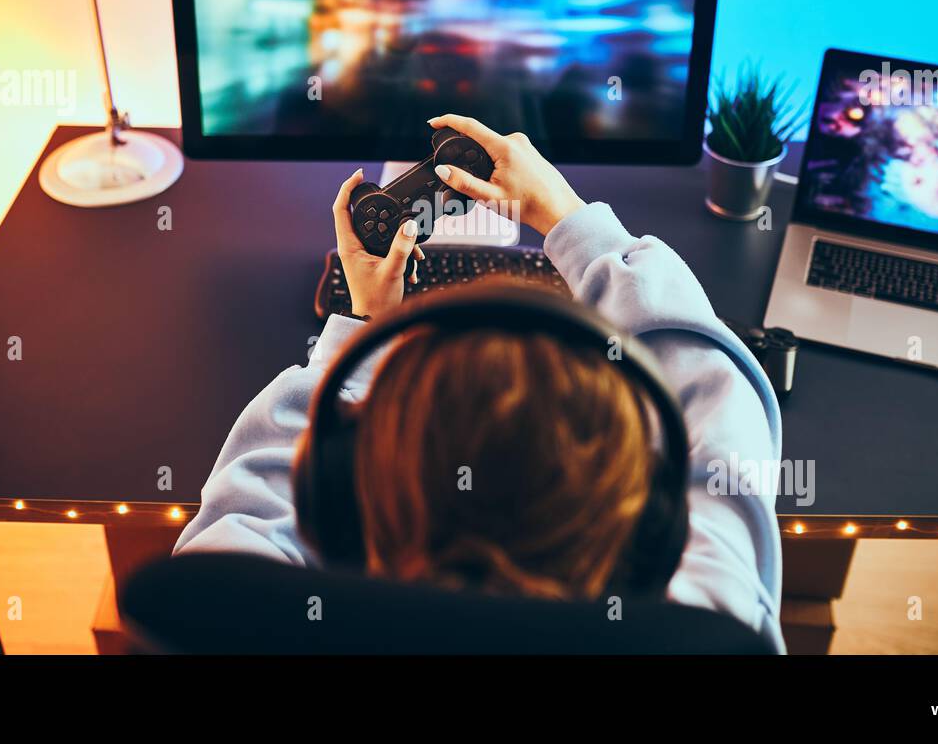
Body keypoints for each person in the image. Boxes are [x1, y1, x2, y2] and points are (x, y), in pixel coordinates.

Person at [175, 114, 785, 651]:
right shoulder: (709, 625)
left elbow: (244, 527)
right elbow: (713, 394)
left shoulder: (239, 632)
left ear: (338, 502)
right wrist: (568, 218)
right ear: (646, 523)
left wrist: (362, 329)